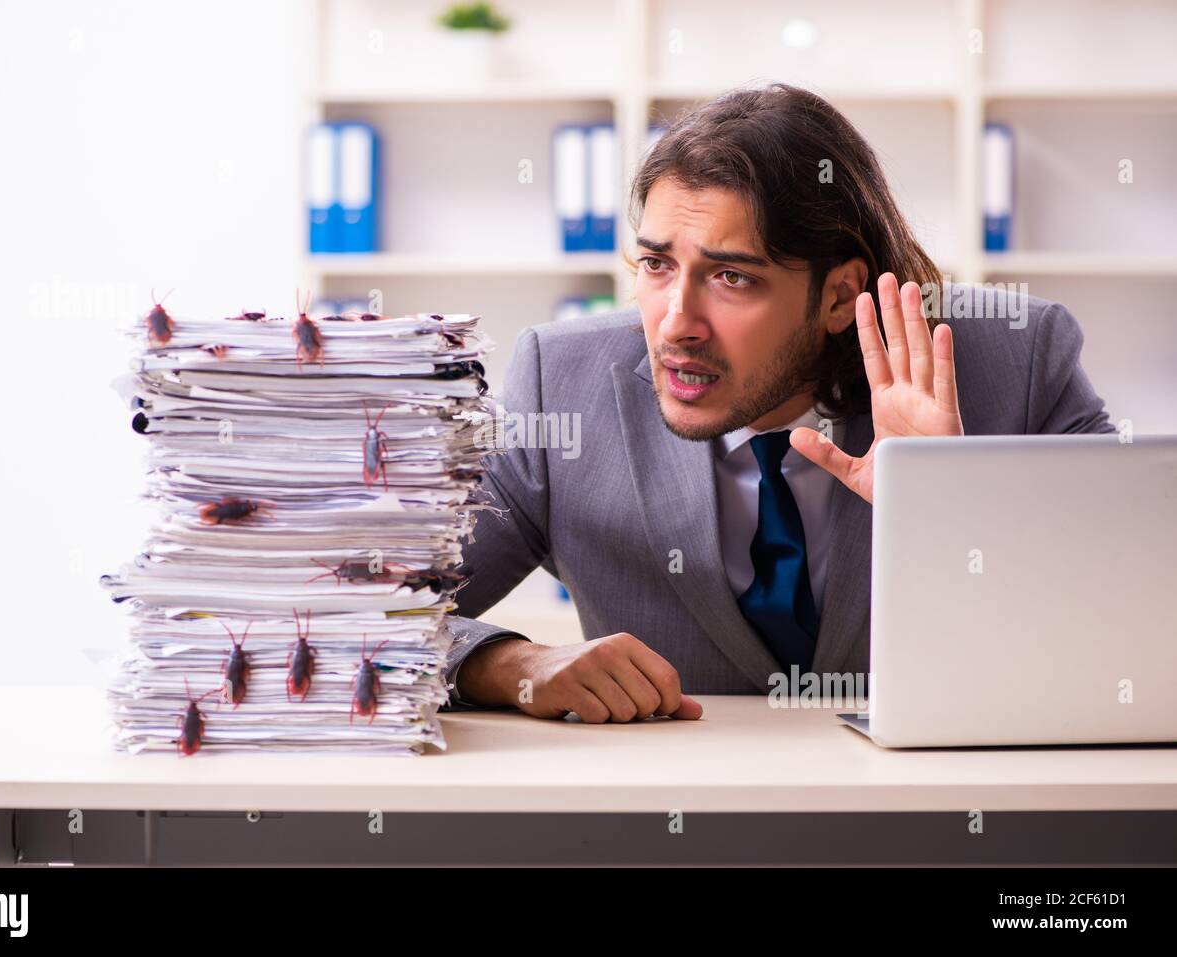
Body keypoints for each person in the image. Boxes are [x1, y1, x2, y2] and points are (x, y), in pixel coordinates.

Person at [441, 84, 1114, 723]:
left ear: (839, 296)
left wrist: (957, 509)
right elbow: (369, 620)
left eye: (731, 276)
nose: (676, 323)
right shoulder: (563, 384)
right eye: (657, 265)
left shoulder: (1017, 363)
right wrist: (511, 664)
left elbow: (1133, 619)